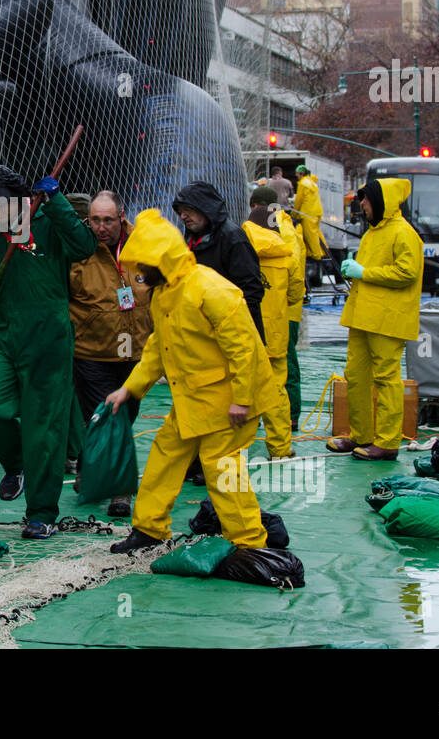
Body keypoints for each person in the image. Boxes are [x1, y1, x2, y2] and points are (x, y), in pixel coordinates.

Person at [104, 210, 280, 553]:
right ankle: (150, 528)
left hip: (228, 400)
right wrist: (130, 387)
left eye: (142, 265)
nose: (138, 274)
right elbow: (158, 347)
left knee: (223, 471)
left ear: (161, 259)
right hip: (197, 398)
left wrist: (242, 399)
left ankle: (250, 543)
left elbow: (243, 348)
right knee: (164, 457)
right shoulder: (167, 292)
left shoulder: (209, 289)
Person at [0, 165, 97, 539]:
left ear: (23, 200)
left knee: (44, 429)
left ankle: (41, 513)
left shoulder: (49, 219)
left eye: (3, 205)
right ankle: (16, 464)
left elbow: (85, 246)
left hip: (48, 339)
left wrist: (57, 202)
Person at [172, 181, 265, 484]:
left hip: (228, 336)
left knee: (225, 407)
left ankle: (214, 464)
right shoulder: (195, 238)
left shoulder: (232, 239)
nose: (183, 217)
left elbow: (251, 291)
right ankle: (197, 461)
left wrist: (229, 326)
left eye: (189, 211)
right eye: (181, 211)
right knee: (199, 401)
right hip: (201, 339)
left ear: (206, 210)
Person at [68, 191, 154, 518]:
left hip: (133, 349)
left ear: (121, 217)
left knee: (126, 415)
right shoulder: (78, 248)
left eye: (107, 220)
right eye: (95, 220)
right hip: (93, 349)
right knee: (104, 415)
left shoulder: (142, 246)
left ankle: (89, 470)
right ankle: (120, 490)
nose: (101, 227)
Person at [328, 178, 423, 461]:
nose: (362, 204)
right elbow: (374, 270)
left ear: (381, 200)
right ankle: (361, 435)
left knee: (386, 379)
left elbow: (407, 272)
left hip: (387, 318)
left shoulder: (403, 233)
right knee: (355, 376)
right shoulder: (373, 232)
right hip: (363, 317)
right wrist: (355, 271)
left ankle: (387, 442)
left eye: (366, 199)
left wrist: (363, 272)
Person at [243, 186, 305, 458]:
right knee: (277, 390)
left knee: (241, 388)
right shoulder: (287, 243)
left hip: (244, 328)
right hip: (277, 329)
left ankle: (234, 449)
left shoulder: (240, 241)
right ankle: (280, 447)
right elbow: (295, 293)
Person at [277, 198, 308, 432]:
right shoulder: (286, 229)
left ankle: (290, 414)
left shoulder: (283, 230)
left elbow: (294, 273)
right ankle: (284, 413)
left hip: (283, 311)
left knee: (285, 361)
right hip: (281, 309)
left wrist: (288, 300)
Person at [294, 165, 325, 260]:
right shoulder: (312, 182)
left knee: (310, 236)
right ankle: (324, 251)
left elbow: (299, 200)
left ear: (301, 174)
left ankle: (316, 255)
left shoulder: (303, 184)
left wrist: (294, 214)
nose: (296, 176)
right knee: (316, 234)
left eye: (297, 174)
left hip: (307, 213)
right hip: (316, 212)